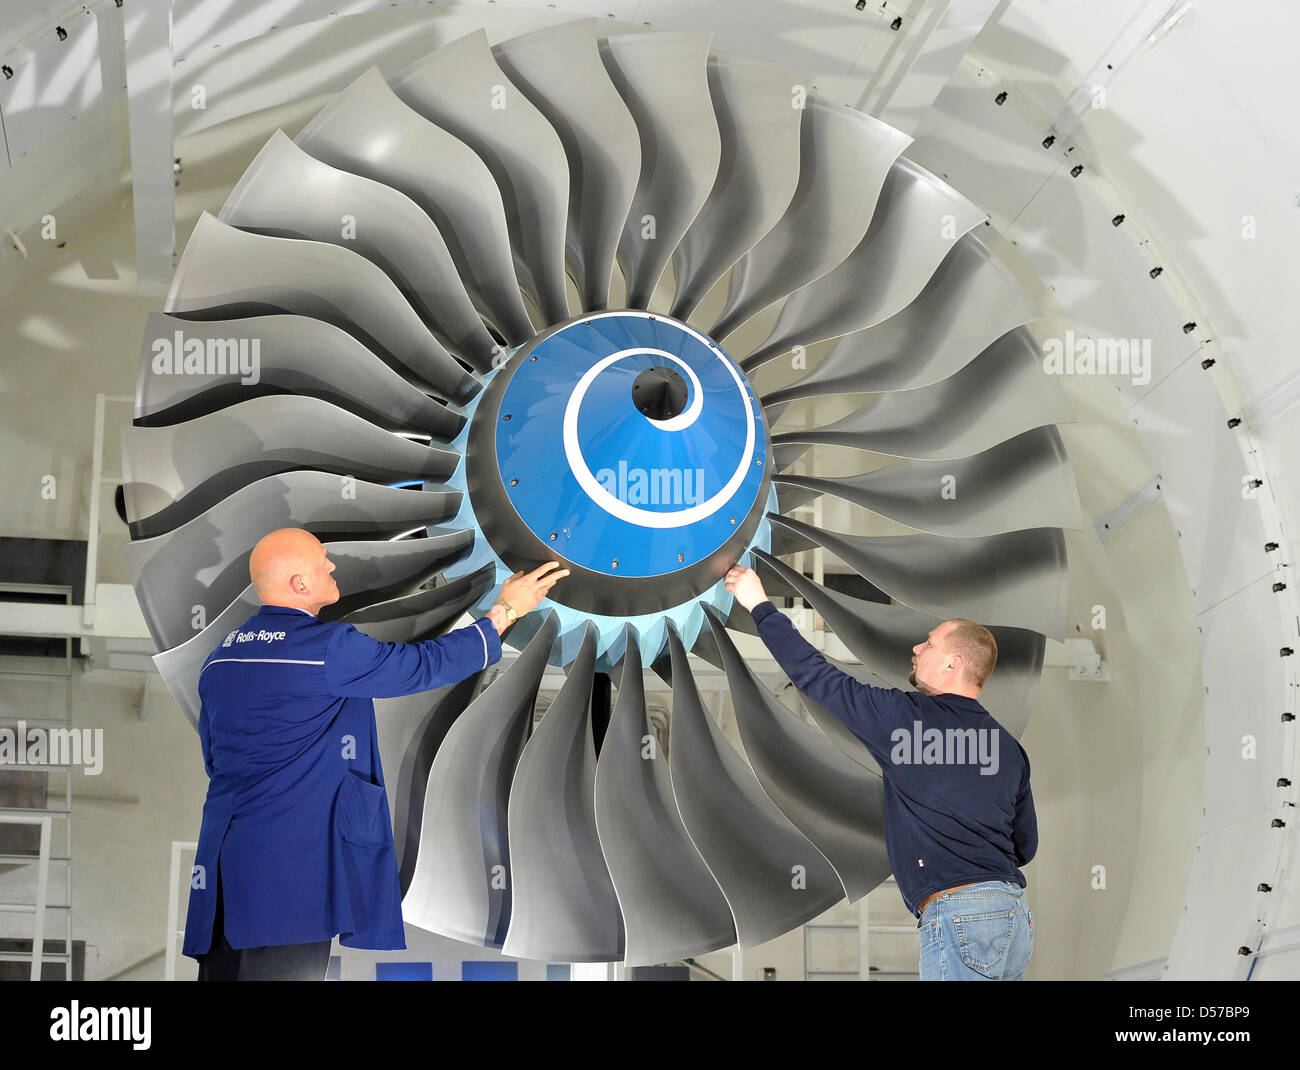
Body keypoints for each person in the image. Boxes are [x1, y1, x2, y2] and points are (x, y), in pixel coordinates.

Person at [183, 527, 567, 980]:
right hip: (291, 883)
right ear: (299, 585)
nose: (331, 566)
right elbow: (422, 666)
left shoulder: (219, 660)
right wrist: (505, 611)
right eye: (321, 561)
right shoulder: (328, 650)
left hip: (223, 879)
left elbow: (215, 759)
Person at [724, 564, 1037, 981]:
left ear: (953, 663)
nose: (916, 649)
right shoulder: (1009, 749)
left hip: (960, 912)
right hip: (1013, 917)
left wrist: (758, 604)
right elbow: (1024, 846)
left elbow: (816, 676)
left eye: (929, 644)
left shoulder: (904, 722)